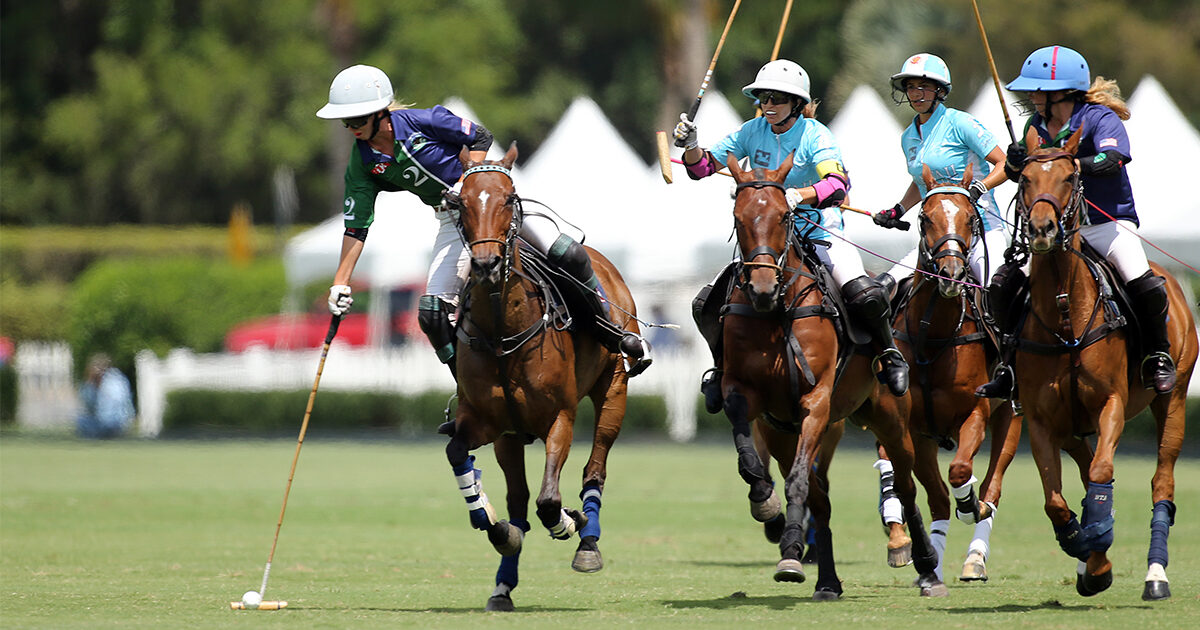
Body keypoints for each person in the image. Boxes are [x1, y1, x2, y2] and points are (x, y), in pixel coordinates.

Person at [314, 65, 650, 380]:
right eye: (345, 121)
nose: (351, 127)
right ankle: (468, 393)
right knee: (432, 314)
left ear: (380, 110)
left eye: (356, 117)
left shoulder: (423, 121)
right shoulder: (362, 162)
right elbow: (356, 226)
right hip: (453, 219)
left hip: (494, 201)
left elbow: (480, 136)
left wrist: (467, 184)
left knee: (568, 254)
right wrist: (340, 283)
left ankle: (616, 334)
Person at [673, 59, 909, 413]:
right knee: (706, 303)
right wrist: (691, 144)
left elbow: (837, 183)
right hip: (768, 239)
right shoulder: (751, 131)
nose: (768, 105)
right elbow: (701, 168)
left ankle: (888, 355)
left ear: (797, 104)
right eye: (764, 97)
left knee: (864, 293)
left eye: (777, 99)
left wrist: (800, 195)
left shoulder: (816, 135)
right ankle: (720, 369)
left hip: (819, 231)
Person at [977, 45, 1176, 397]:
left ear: (1061, 92)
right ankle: (1009, 366)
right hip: (1055, 233)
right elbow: (1020, 174)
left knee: (1144, 284)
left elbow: (1113, 158)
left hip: (1106, 223)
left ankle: (1157, 355)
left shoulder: (1100, 118)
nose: (1031, 97)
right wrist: (1015, 162)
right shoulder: (1034, 124)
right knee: (1003, 286)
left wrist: (1068, 166)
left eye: (1037, 90)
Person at [872, 53, 1009, 295]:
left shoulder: (960, 123)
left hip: (981, 231)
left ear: (940, 90)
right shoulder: (908, 137)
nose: (915, 94)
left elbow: (1004, 164)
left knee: (997, 292)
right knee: (883, 288)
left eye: (923, 87)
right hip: (937, 239)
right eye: (911, 87)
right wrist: (899, 209)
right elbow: (921, 182)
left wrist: (980, 187)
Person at [76, 354, 135, 439]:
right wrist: (91, 383)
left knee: (85, 424)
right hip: (102, 421)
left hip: (114, 422)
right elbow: (88, 405)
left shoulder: (114, 382)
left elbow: (114, 408)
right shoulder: (91, 385)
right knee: (81, 420)